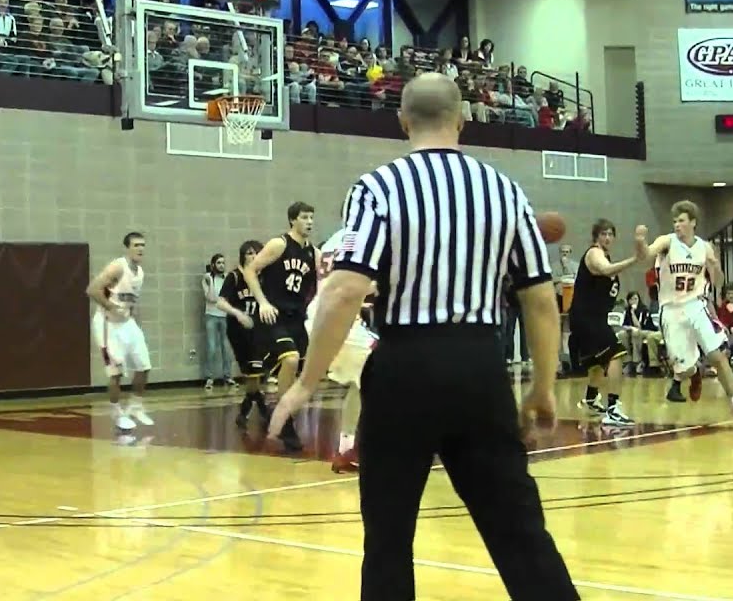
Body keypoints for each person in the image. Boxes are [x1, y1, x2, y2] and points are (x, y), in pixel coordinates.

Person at [269, 73, 578, 601]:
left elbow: (344, 291)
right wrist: (543, 387)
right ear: (463, 120)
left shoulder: (377, 187)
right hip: (481, 368)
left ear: (402, 121)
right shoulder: (505, 191)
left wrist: (306, 382)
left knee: (388, 541)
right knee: (520, 534)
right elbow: (541, 300)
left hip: (403, 368)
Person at [637, 201, 733, 423]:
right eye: (675, 221)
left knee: (718, 355)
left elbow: (718, 282)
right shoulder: (667, 242)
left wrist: (715, 266)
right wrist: (640, 242)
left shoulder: (704, 247)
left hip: (696, 305)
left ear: (693, 222)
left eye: (681, 220)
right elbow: (645, 255)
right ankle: (695, 374)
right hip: (671, 310)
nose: (677, 224)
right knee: (684, 366)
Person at [243, 202, 319, 452]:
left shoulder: (314, 253)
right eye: (304, 217)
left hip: (297, 318)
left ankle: (282, 411)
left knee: (306, 373)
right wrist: (262, 302)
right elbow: (250, 271)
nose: (309, 221)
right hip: (273, 315)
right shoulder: (279, 244)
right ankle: (285, 420)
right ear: (292, 220)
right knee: (290, 359)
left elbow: (318, 286)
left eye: (311, 217)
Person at [309, 225, 379, 473]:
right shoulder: (359, 240)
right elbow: (354, 284)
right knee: (386, 367)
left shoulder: (333, 239)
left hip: (327, 316)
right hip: (337, 318)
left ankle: (346, 449)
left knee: (360, 381)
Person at [568, 219, 644, 427]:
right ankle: (613, 408)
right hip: (587, 318)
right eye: (603, 234)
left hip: (589, 318)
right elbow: (607, 270)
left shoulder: (604, 255)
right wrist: (635, 259)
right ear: (596, 237)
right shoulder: (594, 254)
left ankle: (591, 400)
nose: (607, 238)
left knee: (595, 364)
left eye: (611, 234)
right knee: (616, 354)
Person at [85, 232, 153, 431]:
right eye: (136, 245)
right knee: (116, 372)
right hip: (107, 323)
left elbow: (132, 303)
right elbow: (92, 289)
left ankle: (136, 406)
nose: (140, 248)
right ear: (127, 248)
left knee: (144, 366)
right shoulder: (118, 266)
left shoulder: (140, 273)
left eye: (142, 245)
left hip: (126, 323)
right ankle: (116, 413)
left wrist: (135, 323)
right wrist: (110, 306)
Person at [216, 240, 270, 428]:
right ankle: (258, 408)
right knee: (250, 373)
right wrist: (238, 314)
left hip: (259, 329)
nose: (253, 257)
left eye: (257, 253)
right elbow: (220, 302)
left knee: (255, 372)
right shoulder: (235, 276)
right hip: (238, 330)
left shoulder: (263, 277)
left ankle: (253, 410)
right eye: (249, 253)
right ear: (242, 256)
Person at [201, 254, 238, 391]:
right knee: (211, 347)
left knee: (226, 347)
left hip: (225, 316)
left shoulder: (227, 278)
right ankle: (209, 377)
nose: (221, 265)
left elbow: (231, 297)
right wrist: (210, 280)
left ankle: (227, 376)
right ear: (213, 265)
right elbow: (210, 298)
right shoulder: (207, 279)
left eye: (223, 262)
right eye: (218, 263)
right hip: (211, 315)